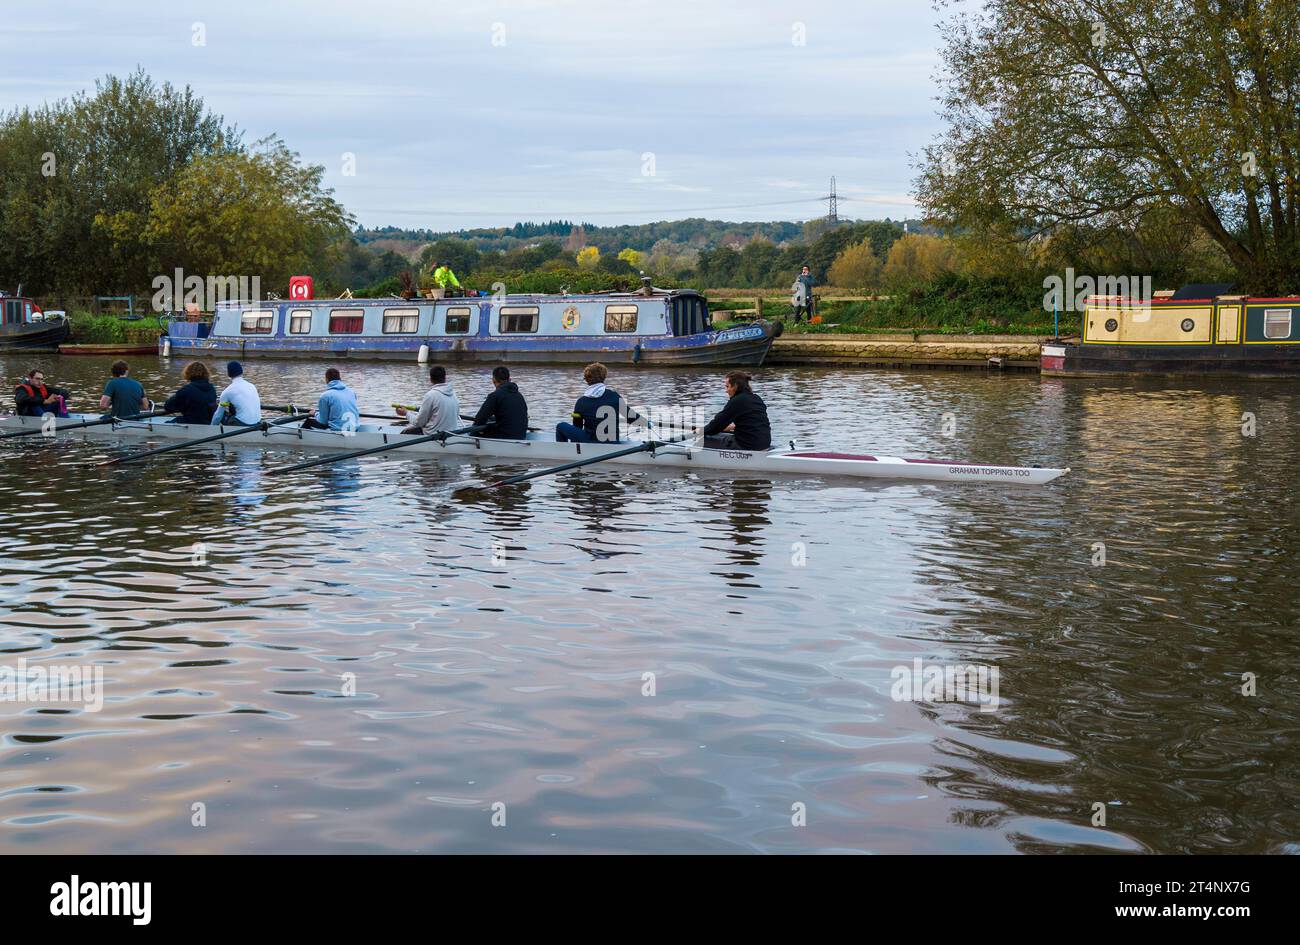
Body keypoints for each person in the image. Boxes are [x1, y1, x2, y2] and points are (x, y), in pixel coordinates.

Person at [555, 362, 642, 444]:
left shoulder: (581, 401)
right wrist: (647, 423)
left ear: (586, 379)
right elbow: (631, 417)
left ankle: (565, 451)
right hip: (613, 442)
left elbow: (577, 426)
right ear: (604, 377)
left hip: (592, 441)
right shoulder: (614, 396)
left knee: (560, 426)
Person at [701, 371, 771, 451]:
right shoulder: (756, 398)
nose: (726, 390)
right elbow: (752, 423)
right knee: (723, 433)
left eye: (727, 386)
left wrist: (700, 432)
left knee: (700, 440)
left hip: (747, 446)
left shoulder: (736, 401)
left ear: (735, 386)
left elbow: (715, 426)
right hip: (764, 443)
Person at [398, 365, 461, 435]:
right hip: (451, 434)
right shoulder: (454, 395)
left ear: (431, 379)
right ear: (445, 378)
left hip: (434, 436)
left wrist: (406, 413)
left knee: (404, 432)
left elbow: (418, 423)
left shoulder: (430, 395)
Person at [472, 366, 528, 439]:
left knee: (477, 431)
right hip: (521, 435)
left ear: (493, 380)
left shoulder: (495, 396)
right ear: (509, 379)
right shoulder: (519, 395)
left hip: (505, 436)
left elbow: (479, 420)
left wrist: (473, 431)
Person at [211, 360, 261, 425]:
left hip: (243, 425)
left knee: (215, 408)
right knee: (230, 405)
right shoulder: (252, 386)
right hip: (257, 423)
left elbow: (218, 416)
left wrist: (211, 428)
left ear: (229, 374)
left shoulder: (227, 391)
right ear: (241, 372)